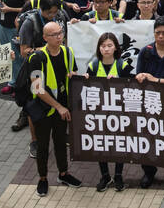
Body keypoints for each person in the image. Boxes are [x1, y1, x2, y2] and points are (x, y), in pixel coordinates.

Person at [26, 21, 82, 197]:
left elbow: (72, 73)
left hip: (63, 108)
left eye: (60, 33)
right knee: (42, 146)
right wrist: (58, 106)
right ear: (45, 38)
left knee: (60, 142)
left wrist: (75, 76)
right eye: (54, 35)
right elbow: (37, 88)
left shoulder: (68, 52)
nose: (59, 37)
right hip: (44, 110)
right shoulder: (36, 58)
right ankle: (42, 178)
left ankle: (63, 173)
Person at [134, 16, 164, 190]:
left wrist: (156, 80)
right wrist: (142, 77)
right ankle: (149, 172)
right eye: (157, 33)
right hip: (149, 102)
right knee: (148, 137)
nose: (160, 36)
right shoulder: (146, 52)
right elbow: (138, 76)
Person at [88, 31, 133, 192]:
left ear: (115, 48)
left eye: (109, 45)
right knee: (101, 143)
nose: (106, 49)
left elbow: (131, 88)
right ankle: (105, 175)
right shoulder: (93, 66)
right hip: (99, 113)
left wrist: (119, 82)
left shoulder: (123, 66)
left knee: (119, 143)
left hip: (119, 113)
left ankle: (118, 175)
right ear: (99, 48)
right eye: (103, 46)